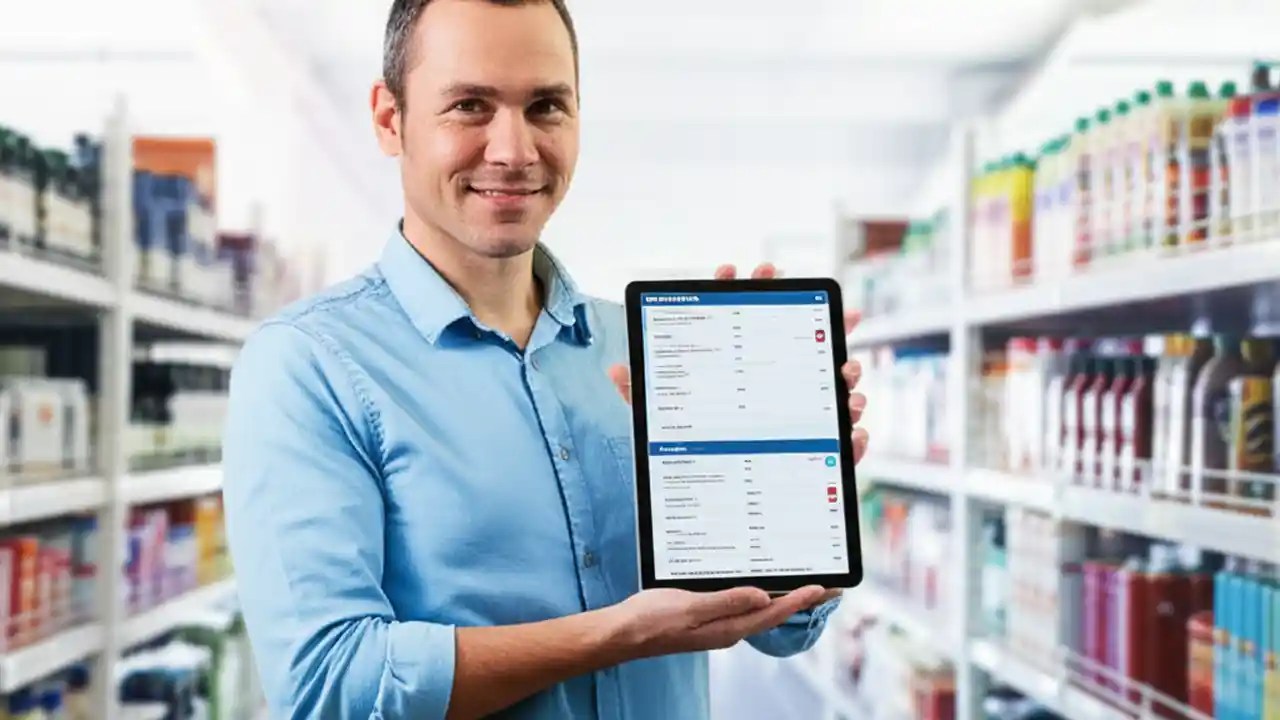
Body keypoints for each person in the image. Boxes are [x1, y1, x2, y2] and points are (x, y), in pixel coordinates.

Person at [221, 0, 871, 718]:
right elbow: (329, 684)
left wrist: (786, 500)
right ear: (389, 119)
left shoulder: (648, 351)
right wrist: (617, 635)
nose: (514, 151)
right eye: (470, 105)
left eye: (546, 107)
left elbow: (783, 631)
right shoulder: (308, 365)